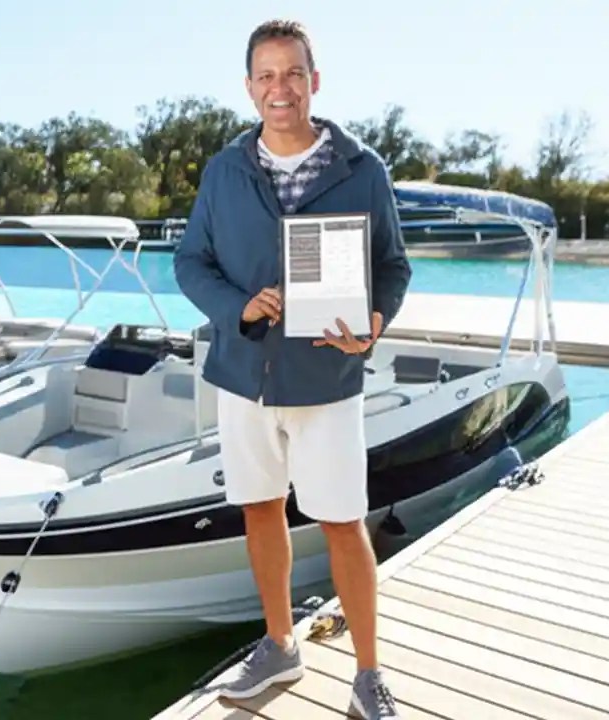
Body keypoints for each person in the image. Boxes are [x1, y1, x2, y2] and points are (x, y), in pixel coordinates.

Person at [172, 18, 411, 720]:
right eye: (267, 75)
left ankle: (369, 675)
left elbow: (392, 268)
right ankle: (281, 645)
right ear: (250, 87)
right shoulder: (223, 171)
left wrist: (375, 320)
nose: (281, 88)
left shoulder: (362, 170)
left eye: (293, 73)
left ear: (315, 80)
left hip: (328, 382)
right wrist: (237, 308)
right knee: (260, 510)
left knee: (343, 522)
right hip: (244, 378)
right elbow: (191, 261)